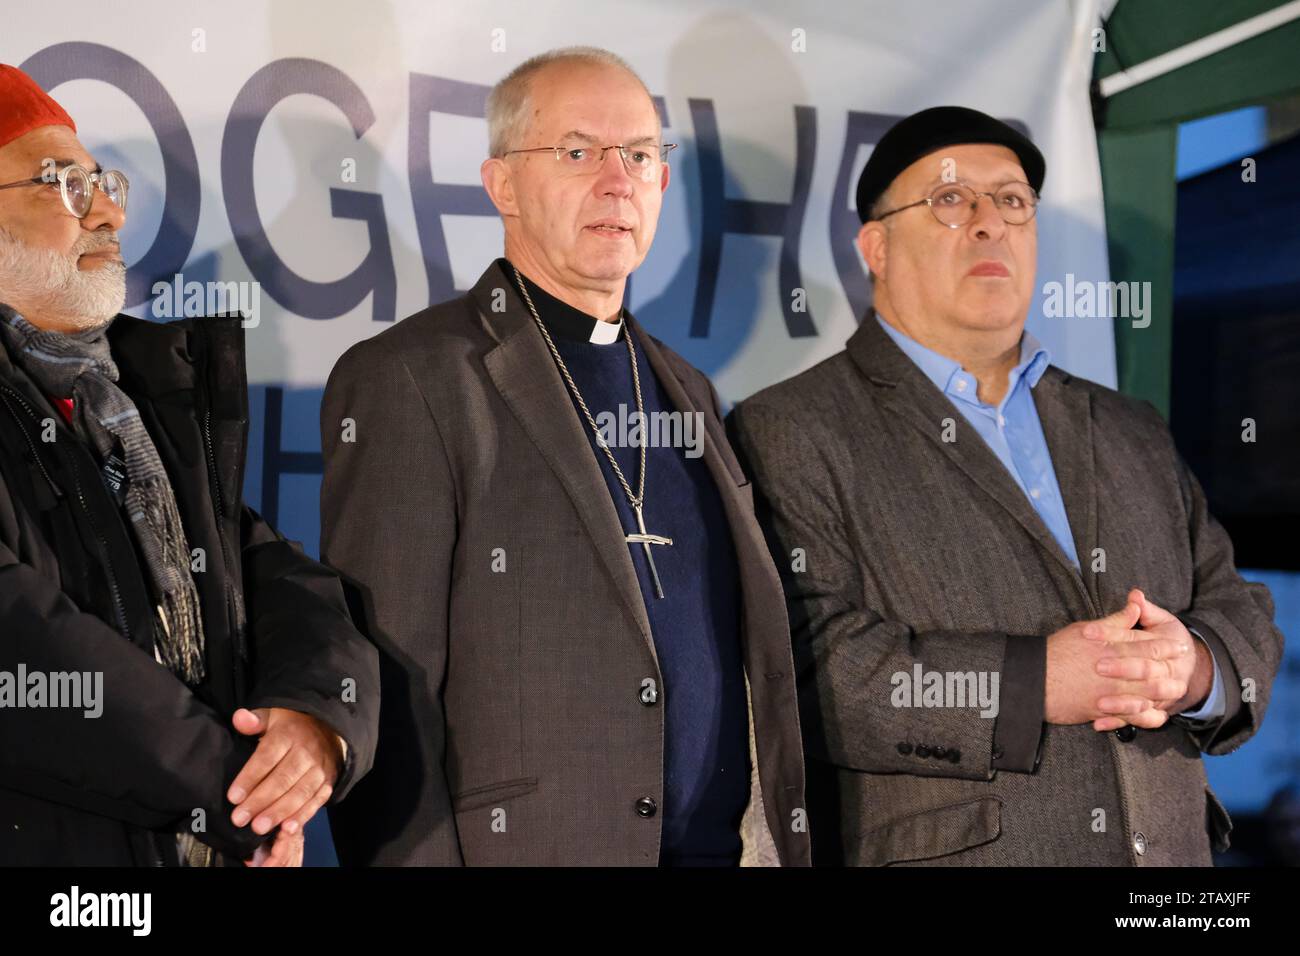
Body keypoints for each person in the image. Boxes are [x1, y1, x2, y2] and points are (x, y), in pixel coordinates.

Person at [728, 105, 1283, 866]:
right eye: (952, 200)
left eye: (1013, 200)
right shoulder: (788, 428)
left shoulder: (1129, 426)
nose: (990, 223)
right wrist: (1030, 684)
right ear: (876, 247)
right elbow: (809, 669)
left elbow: (1241, 606)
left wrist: (1197, 667)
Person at [321, 46, 808, 866]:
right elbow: (386, 700)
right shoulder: (414, 378)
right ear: (502, 184)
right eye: (578, 152)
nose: (617, 180)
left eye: (641, 156)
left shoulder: (689, 389)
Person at [0, 64, 379, 866]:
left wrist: (314, 726)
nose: (105, 210)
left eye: (101, 181)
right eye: (61, 184)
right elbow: (21, 647)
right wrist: (240, 789)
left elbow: (270, 576)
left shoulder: (144, 390)